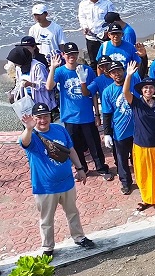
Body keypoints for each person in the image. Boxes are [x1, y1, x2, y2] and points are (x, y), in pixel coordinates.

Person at [19, 103, 95, 257]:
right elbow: (24, 142)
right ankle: (47, 247)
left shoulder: (59, 129)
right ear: (34, 118)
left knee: (72, 212)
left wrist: (80, 169)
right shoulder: (31, 135)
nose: (43, 120)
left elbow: (70, 149)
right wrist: (28, 128)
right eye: (39, 117)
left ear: (50, 116)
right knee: (46, 219)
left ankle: (79, 237)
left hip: (67, 182)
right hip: (45, 187)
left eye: (45, 116)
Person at [46, 44, 112, 180]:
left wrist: (97, 114)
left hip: (87, 115)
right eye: (68, 54)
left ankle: (101, 168)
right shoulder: (60, 72)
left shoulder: (86, 70)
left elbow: (93, 93)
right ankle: (82, 168)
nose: (72, 56)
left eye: (74, 53)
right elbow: (48, 86)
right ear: (63, 55)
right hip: (69, 117)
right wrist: (52, 67)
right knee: (74, 146)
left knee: (94, 145)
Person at [122, 62, 155, 210]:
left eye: (151, 87)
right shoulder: (136, 103)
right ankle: (148, 199)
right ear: (142, 90)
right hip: (141, 145)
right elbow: (125, 92)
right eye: (145, 87)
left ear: (154, 90)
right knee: (145, 174)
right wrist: (129, 75)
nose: (148, 90)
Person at [100, 61, 138, 195]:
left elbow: (142, 69)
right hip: (120, 131)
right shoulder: (107, 92)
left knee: (138, 158)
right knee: (121, 161)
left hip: (137, 129)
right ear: (109, 75)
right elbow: (107, 114)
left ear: (123, 71)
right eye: (113, 72)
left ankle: (141, 179)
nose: (117, 74)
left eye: (119, 70)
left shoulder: (134, 81)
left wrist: (143, 57)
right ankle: (126, 183)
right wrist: (107, 133)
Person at [77, 0, 115, 71]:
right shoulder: (83, 4)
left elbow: (112, 19)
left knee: (108, 58)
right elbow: (81, 17)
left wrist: (107, 31)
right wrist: (84, 27)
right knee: (94, 61)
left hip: (105, 36)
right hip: (91, 37)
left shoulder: (107, 4)